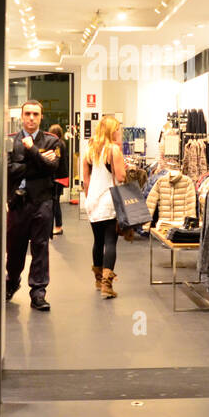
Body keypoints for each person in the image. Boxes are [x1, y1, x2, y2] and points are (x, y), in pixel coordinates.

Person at [5, 100, 63, 311]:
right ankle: (11, 281)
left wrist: (32, 156)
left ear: (41, 117)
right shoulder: (10, 140)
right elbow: (9, 171)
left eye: (35, 114)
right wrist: (37, 158)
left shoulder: (52, 141)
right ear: (22, 116)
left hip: (43, 203)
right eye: (27, 114)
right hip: (18, 204)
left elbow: (52, 169)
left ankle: (38, 293)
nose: (31, 118)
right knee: (14, 249)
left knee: (40, 248)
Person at [81, 115, 128, 298]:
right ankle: (107, 286)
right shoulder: (113, 150)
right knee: (110, 241)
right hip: (109, 200)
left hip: (92, 200)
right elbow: (121, 177)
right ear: (111, 130)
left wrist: (89, 198)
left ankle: (98, 279)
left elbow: (86, 179)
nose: (119, 132)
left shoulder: (90, 150)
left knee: (97, 241)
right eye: (117, 129)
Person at [47, 123, 69, 236]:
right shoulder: (62, 143)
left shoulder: (57, 145)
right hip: (61, 176)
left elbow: (56, 160)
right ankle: (56, 226)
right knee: (55, 202)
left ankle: (58, 226)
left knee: (55, 203)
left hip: (58, 177)